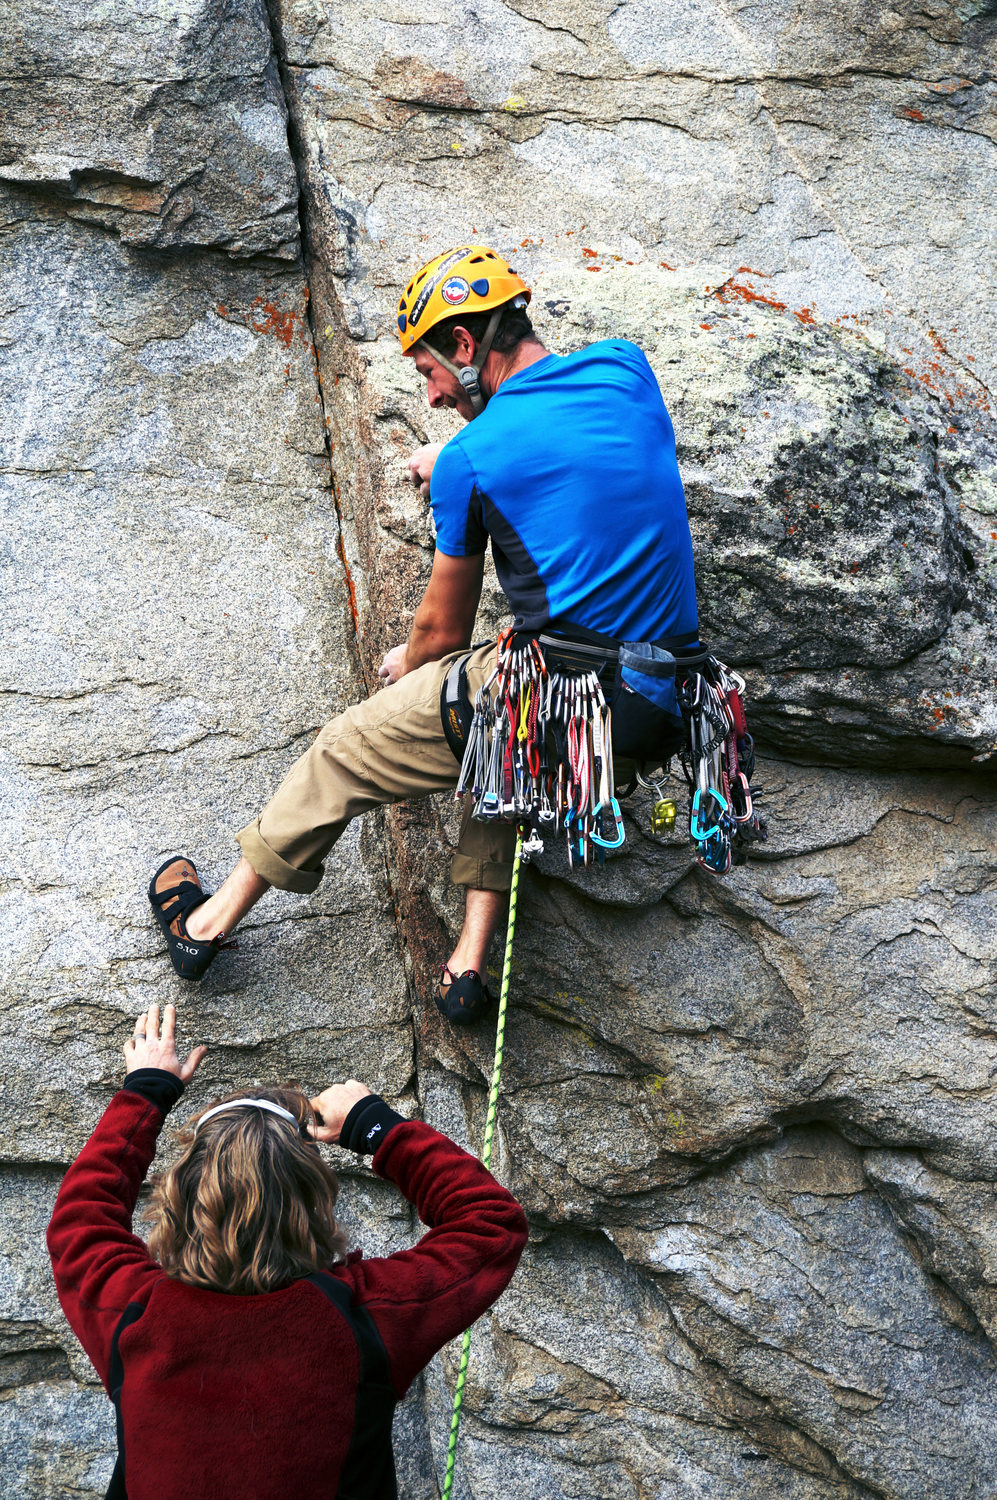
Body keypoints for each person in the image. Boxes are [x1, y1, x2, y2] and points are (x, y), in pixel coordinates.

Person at [148, 245, 699, 1022]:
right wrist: (459, 455)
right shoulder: (625, 371)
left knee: (346, 747)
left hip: (571, 700)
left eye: (430, 371)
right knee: (499, 739)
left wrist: (406, 656)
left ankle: (204, 925)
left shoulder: (472, 459)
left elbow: (441, 632)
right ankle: (468, 964)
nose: (434, 396)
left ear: (466, 345)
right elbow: (556, 438)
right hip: (665, 703)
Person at [47, 1002, 528, 1499]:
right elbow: (489, 1224)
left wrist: (146, 1090)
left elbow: (79, 1218)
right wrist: (375, 1125)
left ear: (179, 1195)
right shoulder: (366, 1319)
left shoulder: (133, 1314)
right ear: (312, 1200)